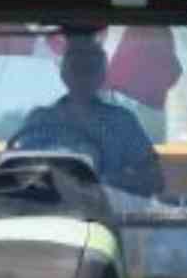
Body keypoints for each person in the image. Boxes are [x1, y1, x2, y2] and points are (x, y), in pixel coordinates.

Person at [13, 32, 165, 200]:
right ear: (64, 72)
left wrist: (104, 183)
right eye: (77, 65)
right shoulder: (39, 120)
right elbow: (15, 174)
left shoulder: (123, 122)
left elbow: (154, 180)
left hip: (107, 217)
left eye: (90, 66)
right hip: (49, 214)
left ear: (102, 74)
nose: (83, 73)